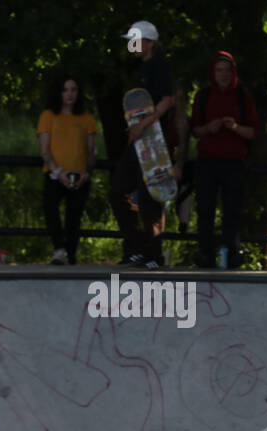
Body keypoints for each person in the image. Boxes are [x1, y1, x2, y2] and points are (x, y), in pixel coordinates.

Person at [110, 20, 178, 268]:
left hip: (155, 141)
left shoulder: (159, 67)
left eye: (136, 41)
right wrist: (134, 127)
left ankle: (154, 254)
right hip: (138, 140)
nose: (132, 45)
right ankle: (136, 246)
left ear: (149, 42)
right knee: (118, 190)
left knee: (151, 195)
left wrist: (144, 124)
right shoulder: (138, 69)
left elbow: (166, 101)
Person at [189, 51, 258, 268]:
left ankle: (232, 251)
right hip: (208, 160)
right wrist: (210, 128)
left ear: (233, 72)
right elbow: (195, 130)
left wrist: (235, 127)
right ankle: (205, 252)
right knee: (205, 209)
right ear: (213, 72)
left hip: (234, 162)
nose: (224, 75)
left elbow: (253, 132)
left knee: (233, 210)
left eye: (227, 71)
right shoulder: (203, 96)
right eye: (219, 70)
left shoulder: (242, 97)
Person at [37, 74, 97, 265]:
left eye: (73, 90)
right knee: (50, 208)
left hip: (79, 175)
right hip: (55, 174)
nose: (70, 94)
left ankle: (71, 254)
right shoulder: (48, 116)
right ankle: (59, 248)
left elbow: (91, 150)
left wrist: (87, 172)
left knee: (74, 215)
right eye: (65, 90)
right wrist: (57, 172)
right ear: (58, 93)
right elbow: (44, 150)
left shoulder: (86, 119)